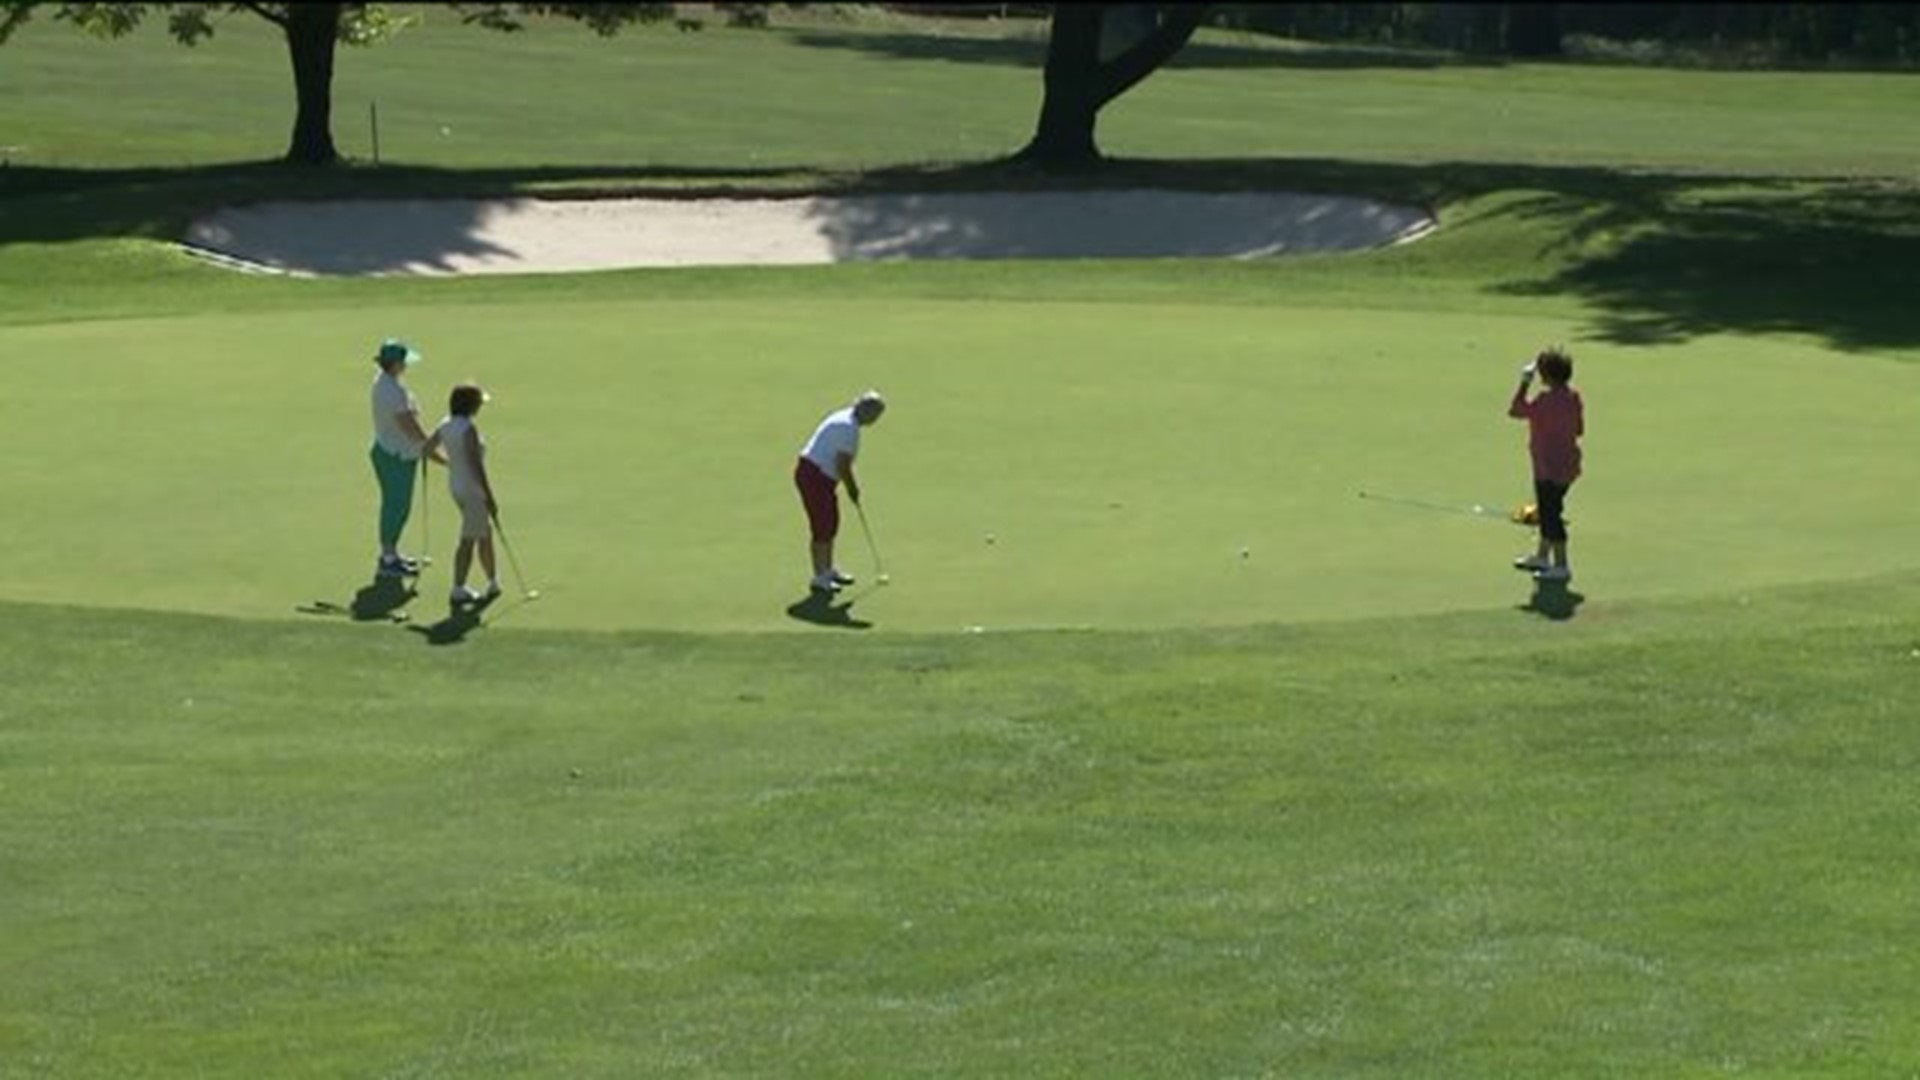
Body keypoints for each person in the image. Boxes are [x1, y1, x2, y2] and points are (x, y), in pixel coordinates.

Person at [794, 390, 886, 594]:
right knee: (822, 526)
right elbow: (842, 464)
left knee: (830, 522)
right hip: (814, 477)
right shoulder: (848, 428)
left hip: (819, 477)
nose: (875, 420)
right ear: (867, 412)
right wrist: (853, 489)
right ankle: (819, 577)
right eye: (875, 415)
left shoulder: (847, 419)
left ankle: (828, 569)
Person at [368, 338, 444, 578]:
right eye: (403, 362)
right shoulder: (393, 391)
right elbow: (410, 428)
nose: (406, 366)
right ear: (395, 364)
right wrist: (436, 453)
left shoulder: (386, 383)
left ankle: (392, 554)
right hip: (395, 457)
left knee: (399, 506)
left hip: (393, 452)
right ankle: (388, 559)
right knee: (396, 507)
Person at [1508, 346, 1584, 581]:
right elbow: (1579, 430)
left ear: (1546, 375)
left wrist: (1524, 382)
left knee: (1551, 515)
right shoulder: (1574, 398)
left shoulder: (1544, 400)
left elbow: (1515, 410)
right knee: (1548, 509)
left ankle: (1561, 565)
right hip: (1568, 465)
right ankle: (1542, 556)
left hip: (1547, 468)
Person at [420, 383, 501, 606]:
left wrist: (449, 463)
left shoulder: (446, 424)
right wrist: (489, 495)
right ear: (471, 406)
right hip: (472, 489)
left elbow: (426, 449)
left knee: (484, 533)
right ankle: (458, 588)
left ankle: (493, 581)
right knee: (469, 539)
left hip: (456, 486)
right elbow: (476, 465)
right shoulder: (468, 429)